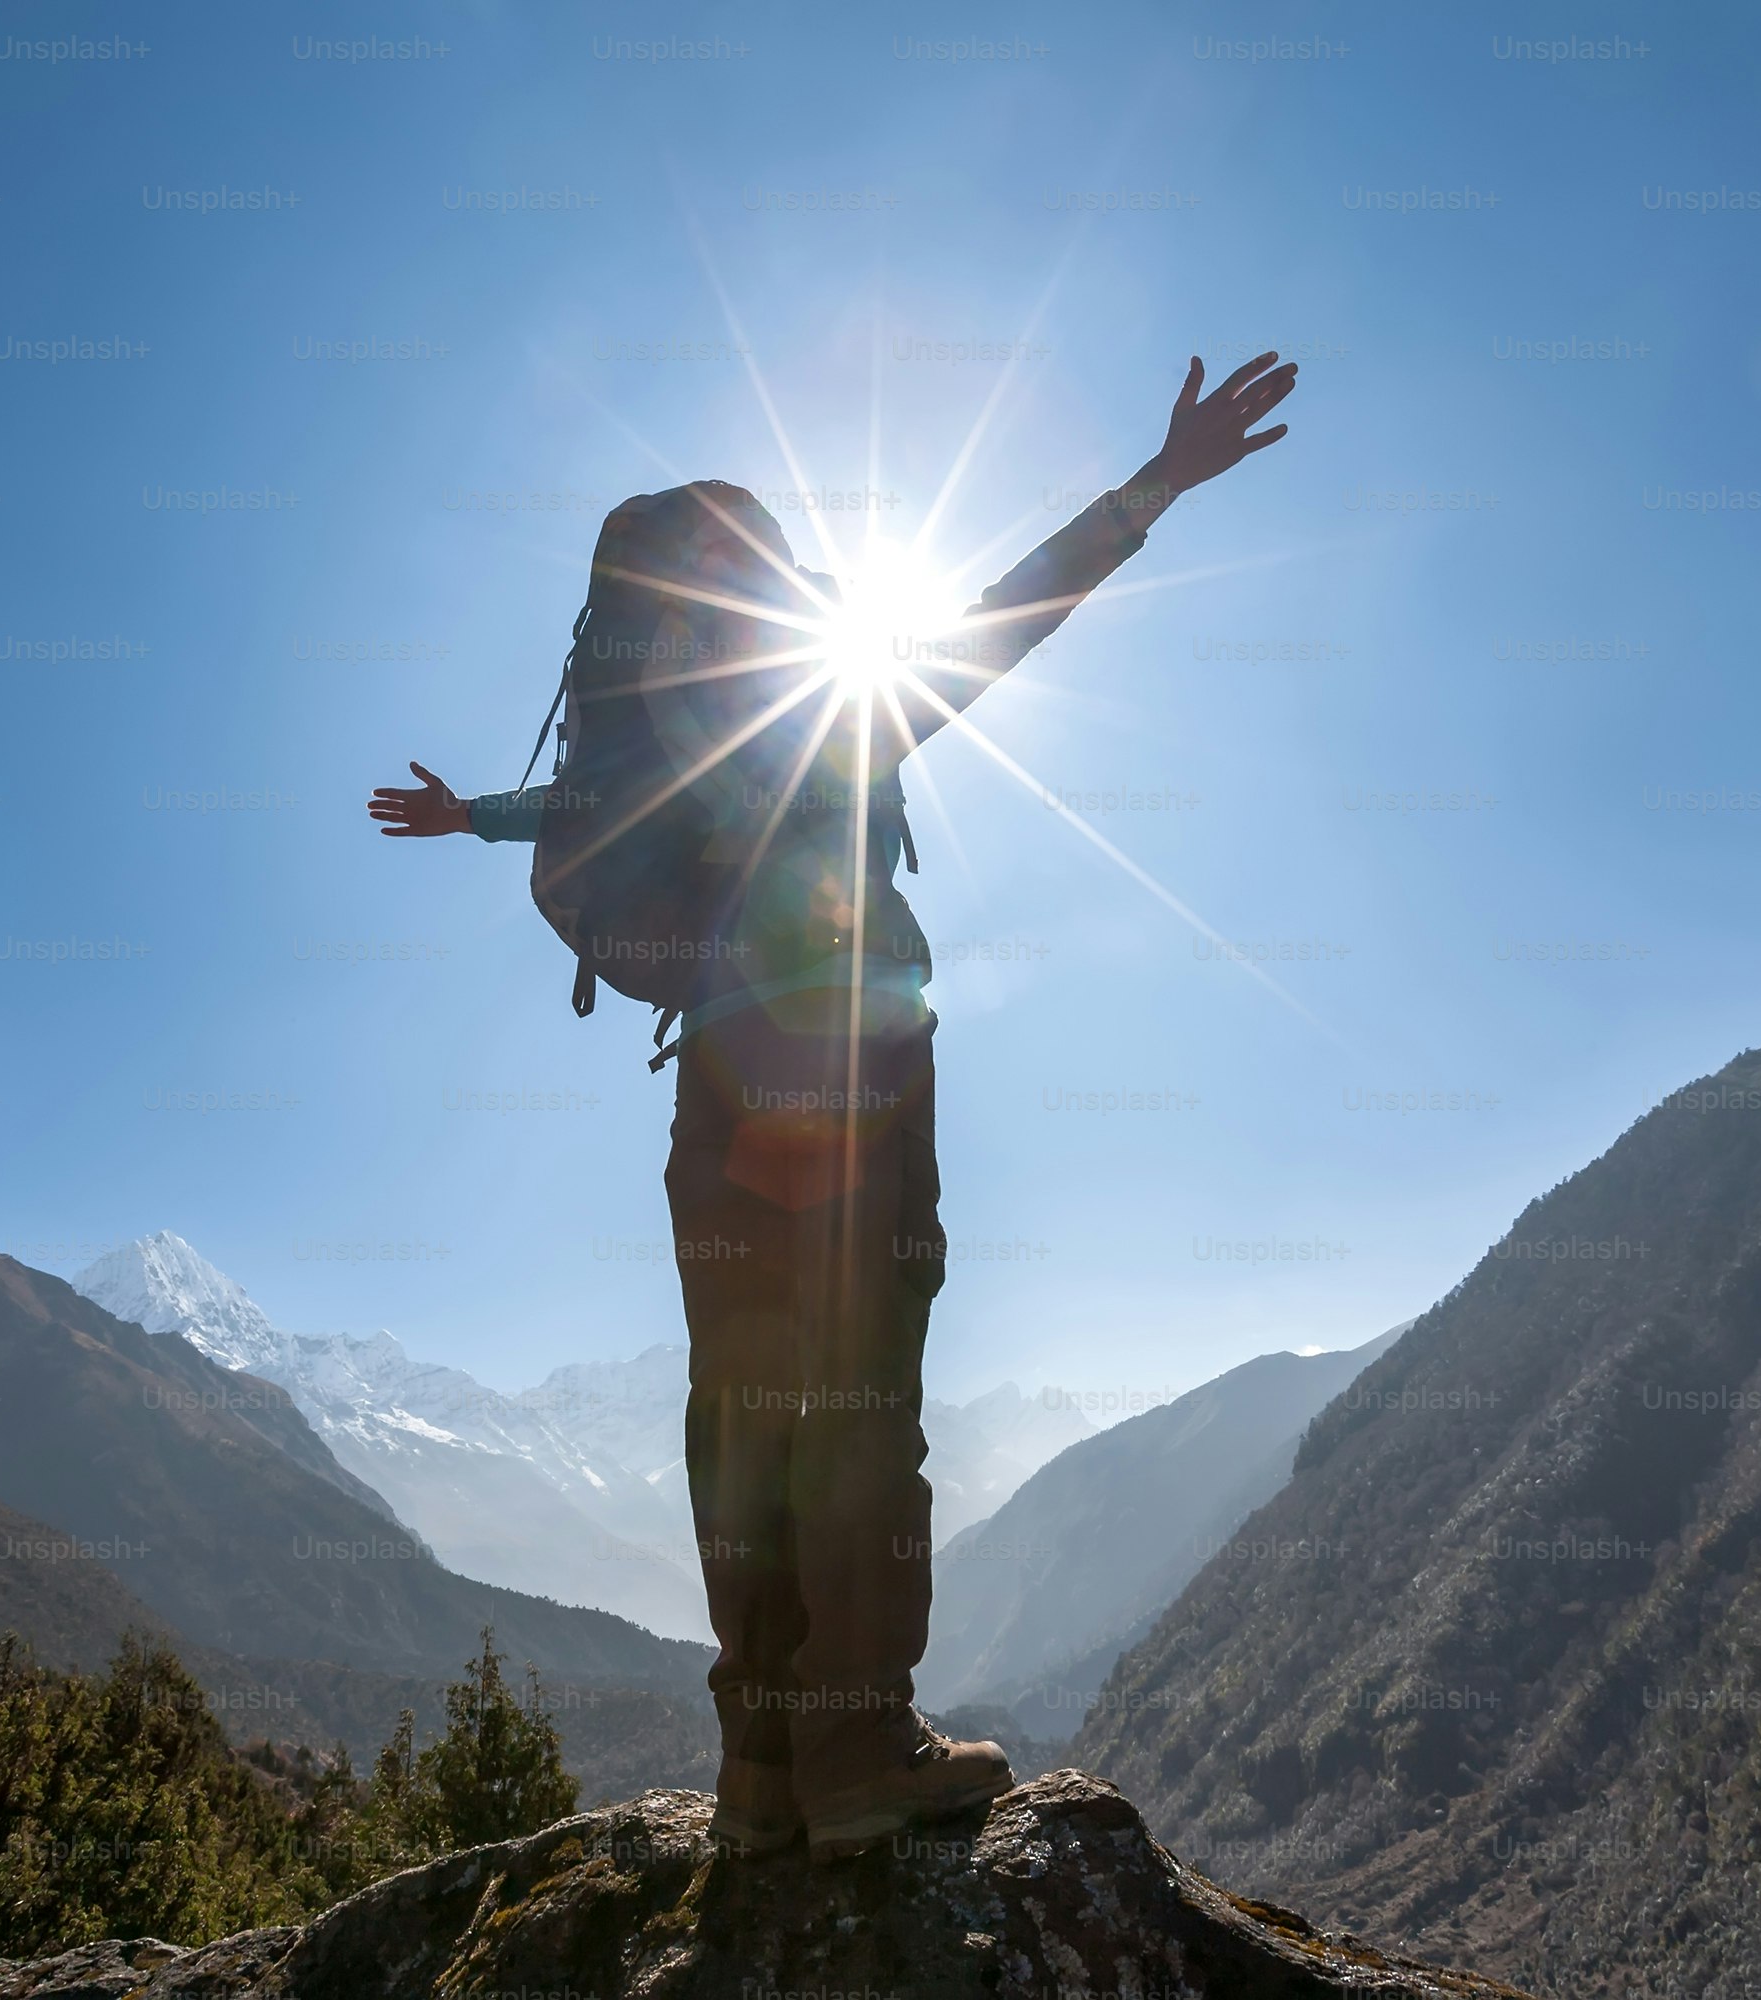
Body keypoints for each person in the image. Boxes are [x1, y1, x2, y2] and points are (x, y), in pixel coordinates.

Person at [369, 353, 1296, 1859]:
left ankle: (760, 1777)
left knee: (744, 1420)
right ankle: (857, 1746)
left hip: (717, 1105)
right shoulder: (816, 715)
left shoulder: (649, 742)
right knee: (861, 1407)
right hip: (852, 1085)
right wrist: (1150, 490)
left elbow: (572, 815)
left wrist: (469, 811)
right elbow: (1001, 623)